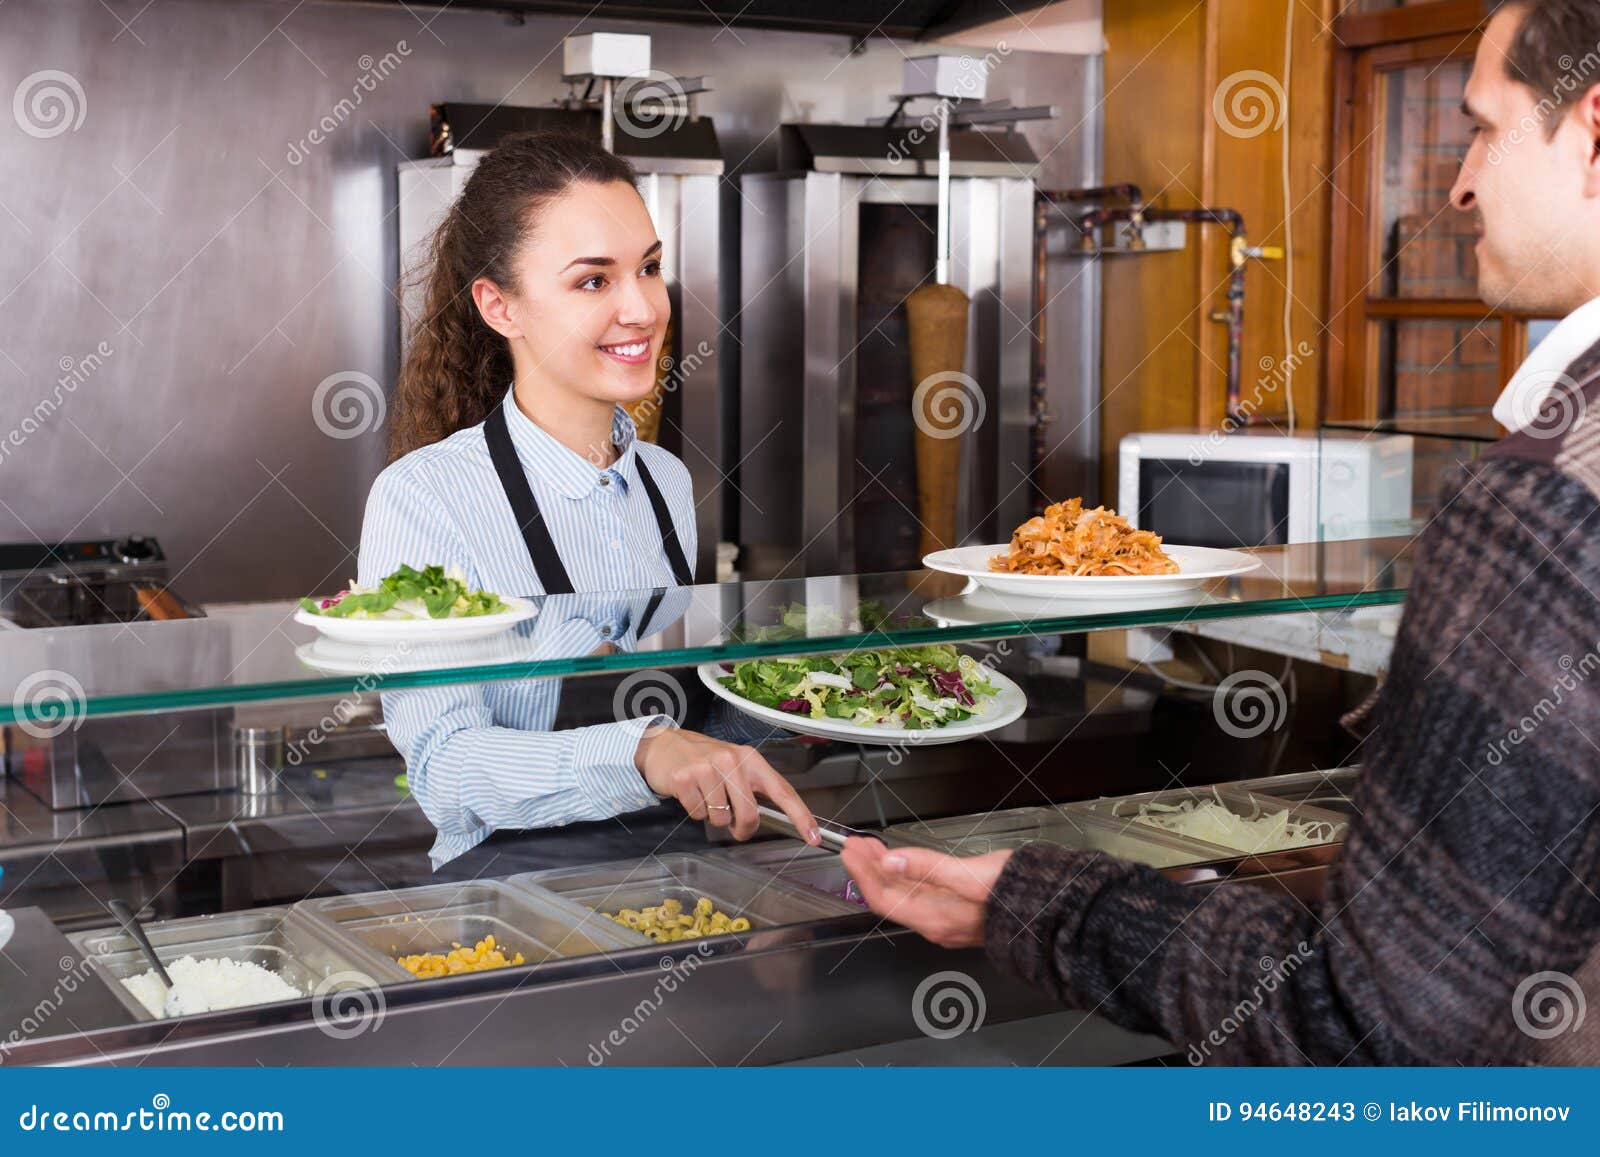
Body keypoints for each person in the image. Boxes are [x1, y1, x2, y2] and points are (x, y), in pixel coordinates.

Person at [843, 0, 1600, 1064]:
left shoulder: (1544, 501)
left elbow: (1367, 1033)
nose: (1458, 180)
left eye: (1481, 125)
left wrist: (1044, 903)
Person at [360, 131, 819, 871]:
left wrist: (799, 705)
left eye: (649, 268)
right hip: (509, 897)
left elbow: (681, 711)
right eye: (593, 281)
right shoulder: (426, 497)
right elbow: (444, 768)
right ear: (499, 305)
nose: (641, 308)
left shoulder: (665, 484)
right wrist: (639, 750)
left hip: (673, 869)